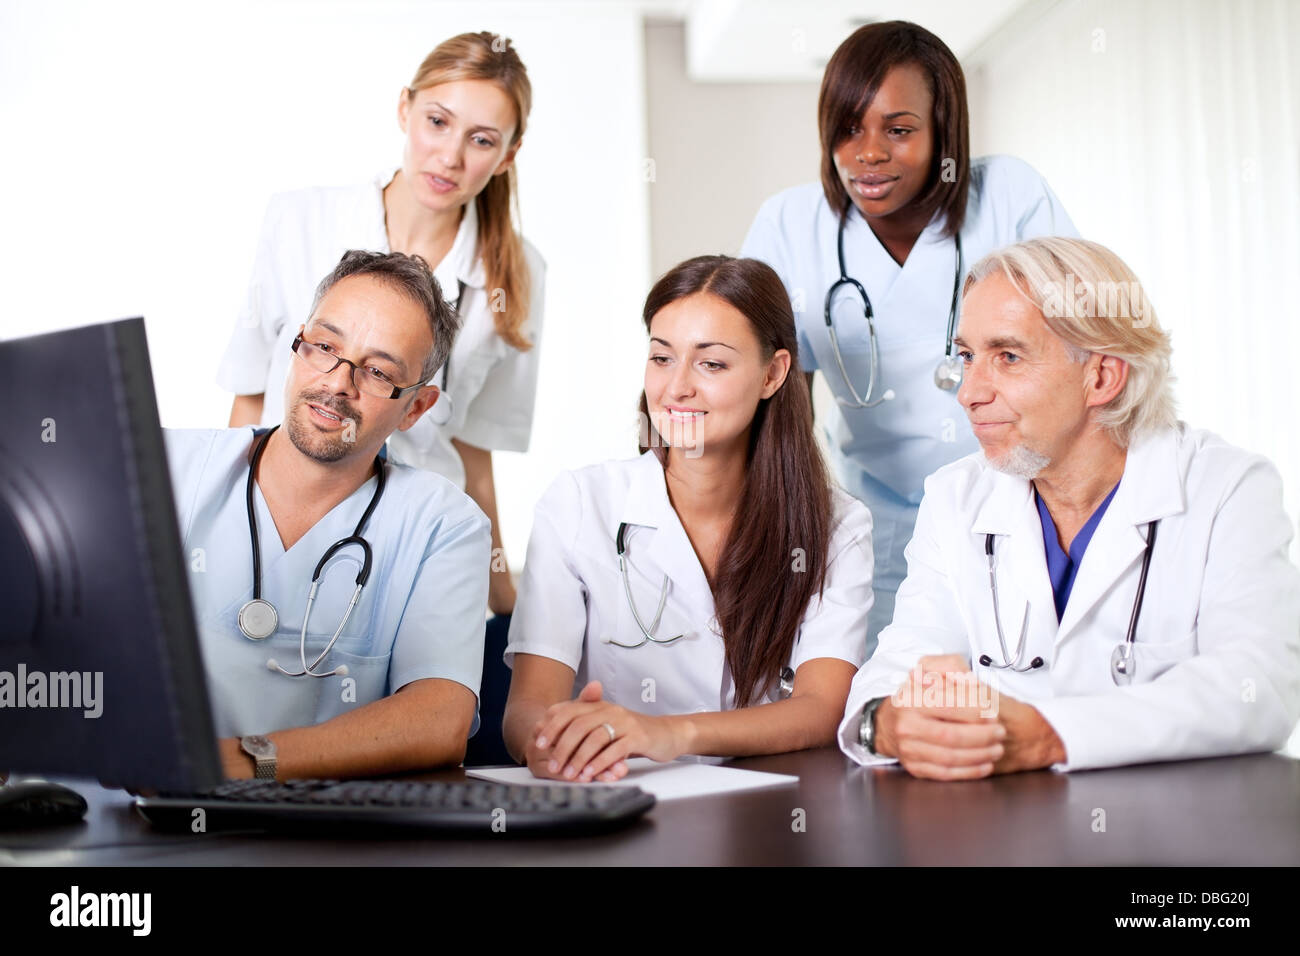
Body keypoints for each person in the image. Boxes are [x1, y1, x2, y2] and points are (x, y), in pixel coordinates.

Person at [838, 237, 1300, 777]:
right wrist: (887, 722)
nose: (968, 392)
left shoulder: (1225, 488)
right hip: (1002, 832)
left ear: (1100, 377)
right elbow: (900, 663)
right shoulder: (955, 497)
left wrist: (1047, 736)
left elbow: (1258, 686)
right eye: (966, 356)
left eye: (1007, 357)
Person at [740, 21, 1077, 653]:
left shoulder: (1010, 196)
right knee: (887, 704)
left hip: (1022, 507)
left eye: (899, 129)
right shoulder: (789, 223)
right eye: (848, 128)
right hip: (874, 524)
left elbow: (1078, 350)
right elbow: (769, 388)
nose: (867, 153)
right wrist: (788, 523)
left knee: (1027, 696)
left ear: (944, 130)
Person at [502, 256, 874, 783]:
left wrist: (671, 733)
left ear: (773, 373)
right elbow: (527, 708)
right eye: (661, 358)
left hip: (769, 813)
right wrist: (547, 744)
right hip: (622, 801)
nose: (676, 388)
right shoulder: (580, 503)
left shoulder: (837, 525)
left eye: (711, 364)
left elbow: (821, 707)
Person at [217, 31, 543, 616]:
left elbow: (473, 455)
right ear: (404, 108)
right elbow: (249, 401)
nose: (449, 156)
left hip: (418, 539)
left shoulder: (519, 276)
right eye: (437, 121)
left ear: (508, 156)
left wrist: (504, 604)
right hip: (280, 516)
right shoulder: (299, 219)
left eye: (481, 140)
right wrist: (224, 535)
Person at [167, 251, 491, 780]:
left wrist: (245, 764)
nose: (339, 383)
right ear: (296, 347)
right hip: (130, 820)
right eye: (325, 348)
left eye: (378, 372)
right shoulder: (164, 468)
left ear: (416, 408)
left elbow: (438, 722)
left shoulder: (443, 526)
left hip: (326, 843)